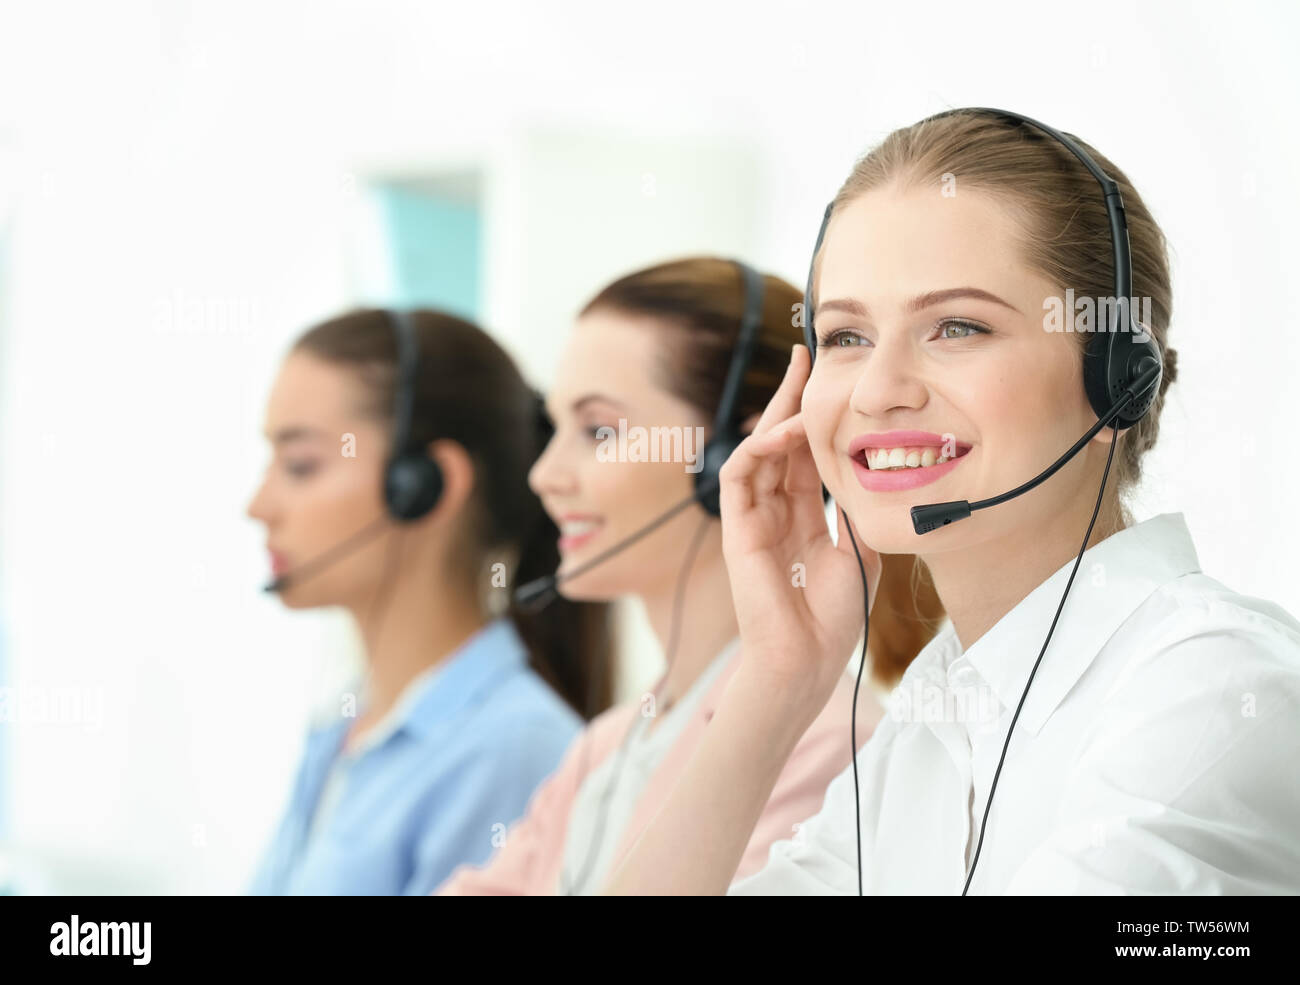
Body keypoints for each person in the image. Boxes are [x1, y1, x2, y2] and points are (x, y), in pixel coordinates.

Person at [601, 110, 1300, 895]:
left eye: (957, 326)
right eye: (846, 337)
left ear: (1116, 382)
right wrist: (776, 679)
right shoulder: (930, 724)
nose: (878, 390)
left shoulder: (1213, 687)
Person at [435, 257, 946, 895]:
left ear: (737, 457)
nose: (544, 474)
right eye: (554, 427)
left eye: (598, 430)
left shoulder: (828, 748)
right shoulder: (606, 748)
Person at [245, 307, 612, 895]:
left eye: (300, 464)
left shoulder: (509, 750)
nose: (258, 505)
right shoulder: (345, 721)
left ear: (423, 485)